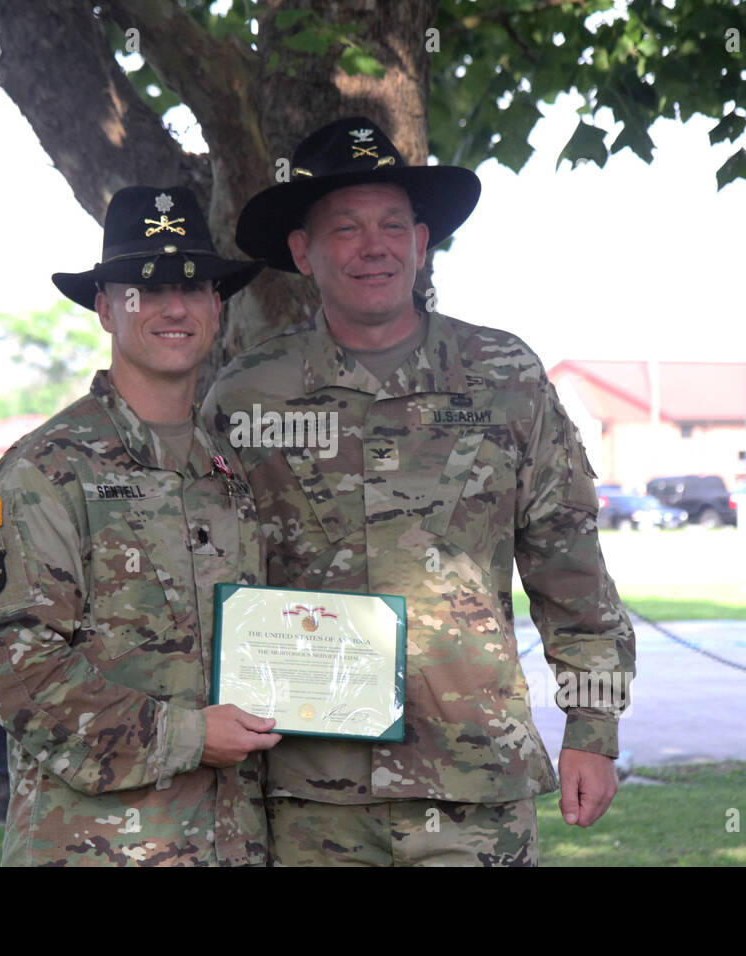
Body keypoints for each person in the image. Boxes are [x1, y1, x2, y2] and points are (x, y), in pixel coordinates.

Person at [201, 117, 637, 866]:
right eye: (345, 228)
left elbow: (571, 570)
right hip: (308, 788)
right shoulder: (247, 396)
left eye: (393, 225)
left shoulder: (503, 375)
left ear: (422, 241)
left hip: (472, 782)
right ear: (304, 252)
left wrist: (593, 732)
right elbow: (204, 569)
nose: (374, 247)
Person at [0, 185, 281, 866]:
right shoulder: (46, 470)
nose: (172, 306)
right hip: (94, 850)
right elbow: (12, 668)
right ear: (106, 309)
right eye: (145, 287)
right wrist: (187, 737)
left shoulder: (233, 474)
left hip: (232, 846)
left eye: (193, 287)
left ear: (216, 307)